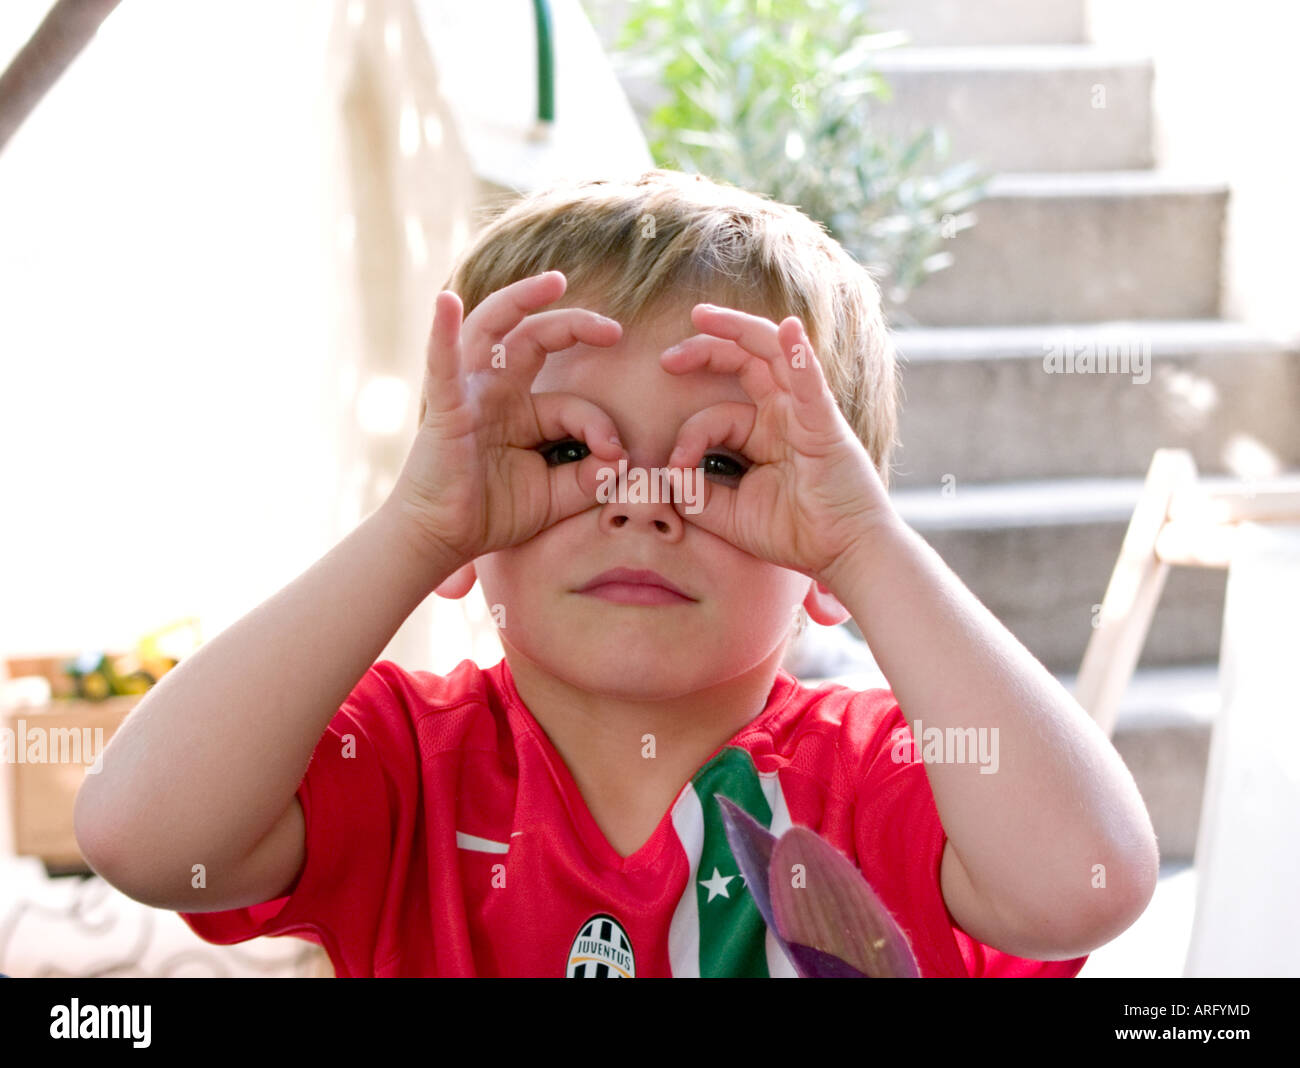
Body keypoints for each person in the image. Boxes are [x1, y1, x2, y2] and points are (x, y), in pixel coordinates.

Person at [72, 170, 1158, 977]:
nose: (643, 500)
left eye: (724, 463)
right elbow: (144, 839)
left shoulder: (876, 780)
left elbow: (1088, 886)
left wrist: (871, 552)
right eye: (562, 454)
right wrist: (411, 530)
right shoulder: (405, 761)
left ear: (825, 549)